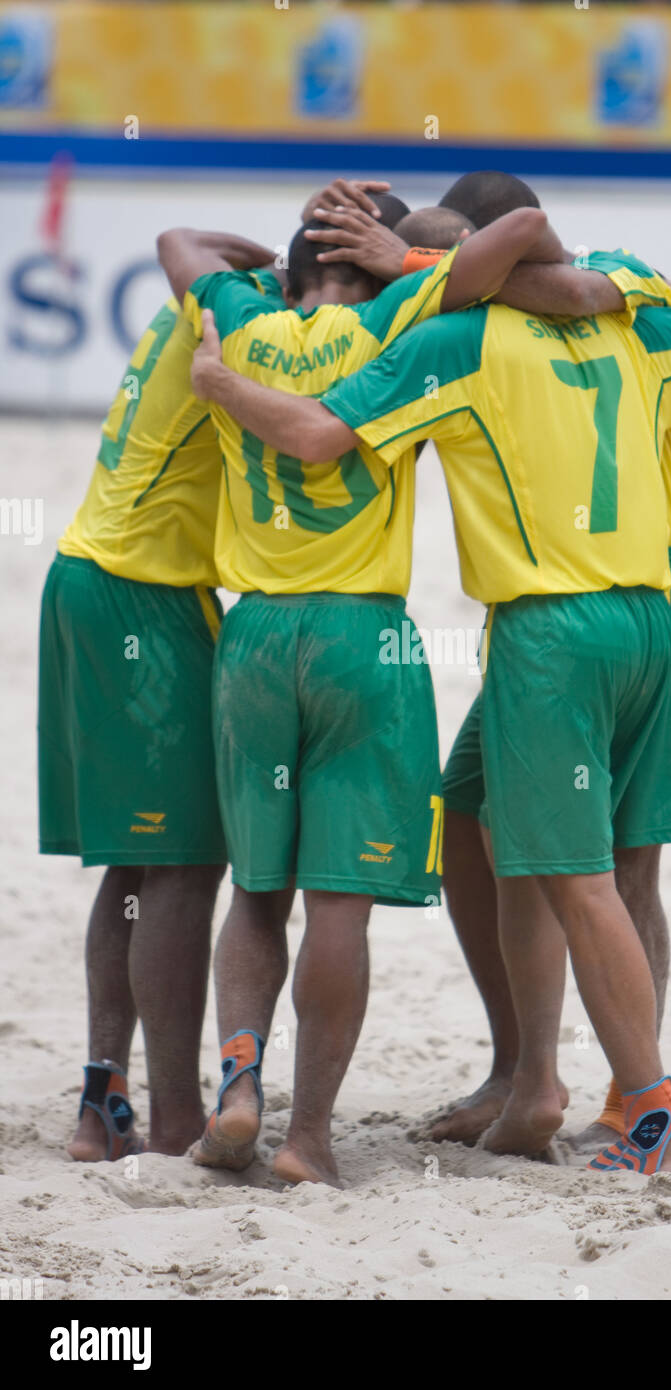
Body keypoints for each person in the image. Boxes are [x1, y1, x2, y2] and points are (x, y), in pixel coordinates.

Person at [186, 226, 671, 1175]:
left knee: (583, 881)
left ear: (455, 265)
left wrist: (218, 382)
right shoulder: (631, 315)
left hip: (547, 633)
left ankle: (649, 1118)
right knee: (493, 823)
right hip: (658, 606)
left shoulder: (453, 343)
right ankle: (533, 1080)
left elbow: (320, 435)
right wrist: (599, 287)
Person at [157, 199, 565, 1187]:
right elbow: (510, 237)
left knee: (258, 890)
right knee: (339, 906)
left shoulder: (237, 318)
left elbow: (177, 243)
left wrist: (279, 255)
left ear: (291, 276)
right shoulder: (395, 318)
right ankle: (310, 1139)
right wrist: (407, 251)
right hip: (359, 635)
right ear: (372, 276)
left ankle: (241, 1086)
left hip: (252, 631)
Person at [39, 228, 282, 1160]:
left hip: (89, 574)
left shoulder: (207, 296)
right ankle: (177, 1114)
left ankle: (105, 1099)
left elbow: (178, 236)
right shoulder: (256, 325)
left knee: (137, 863)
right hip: (144, 587)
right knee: (184, 862)